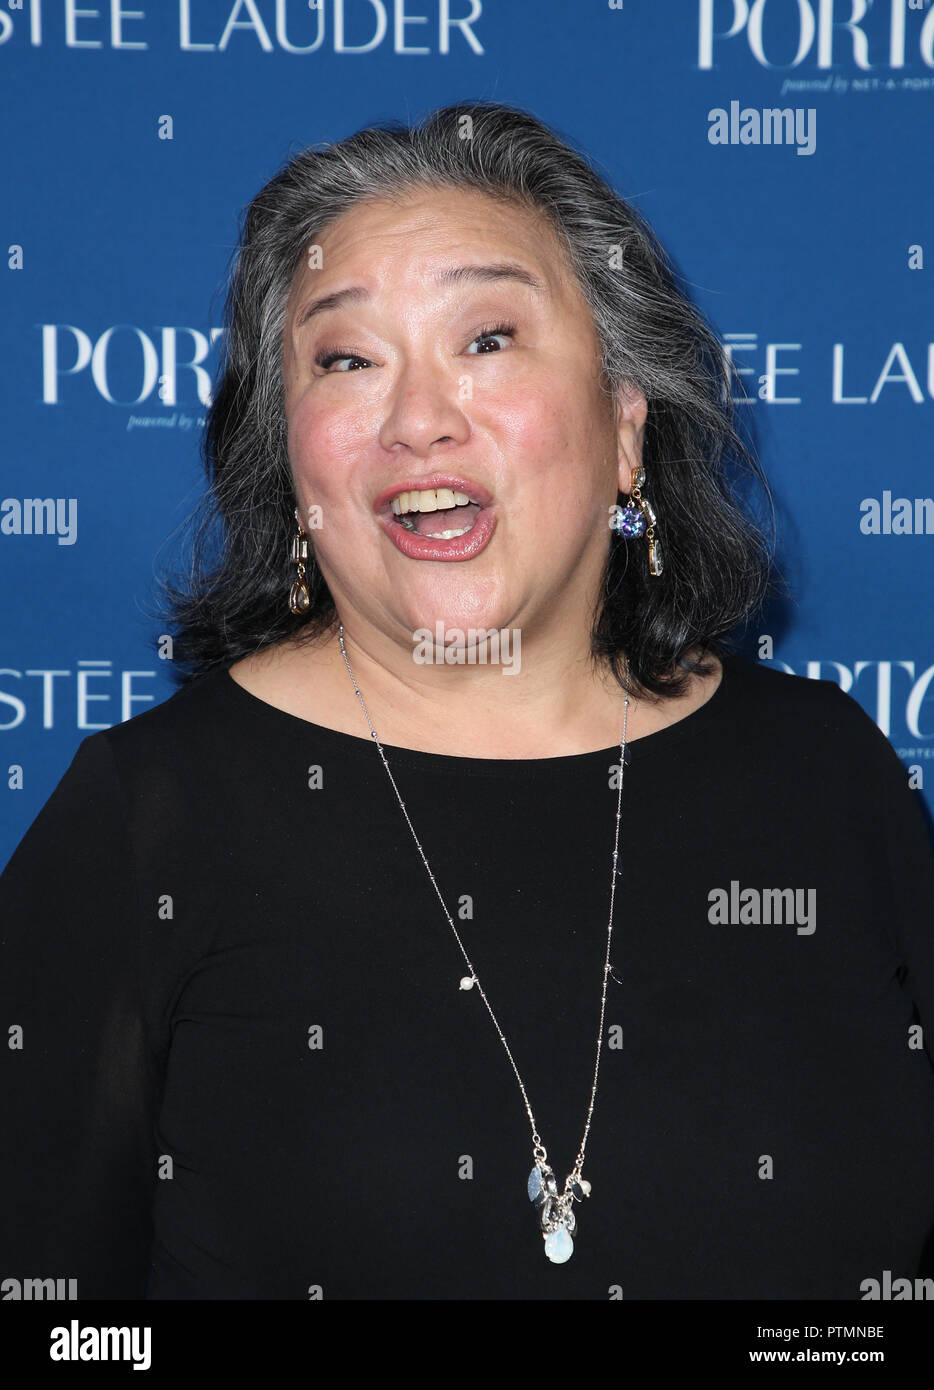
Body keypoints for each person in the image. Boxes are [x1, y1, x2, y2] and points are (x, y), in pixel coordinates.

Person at [2, 101, 932, 1301]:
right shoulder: (145, 820)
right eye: (347, 359)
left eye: (487, 338)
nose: (419, 418)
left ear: (623, 430)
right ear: (291, 468)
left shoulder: (825, 773)